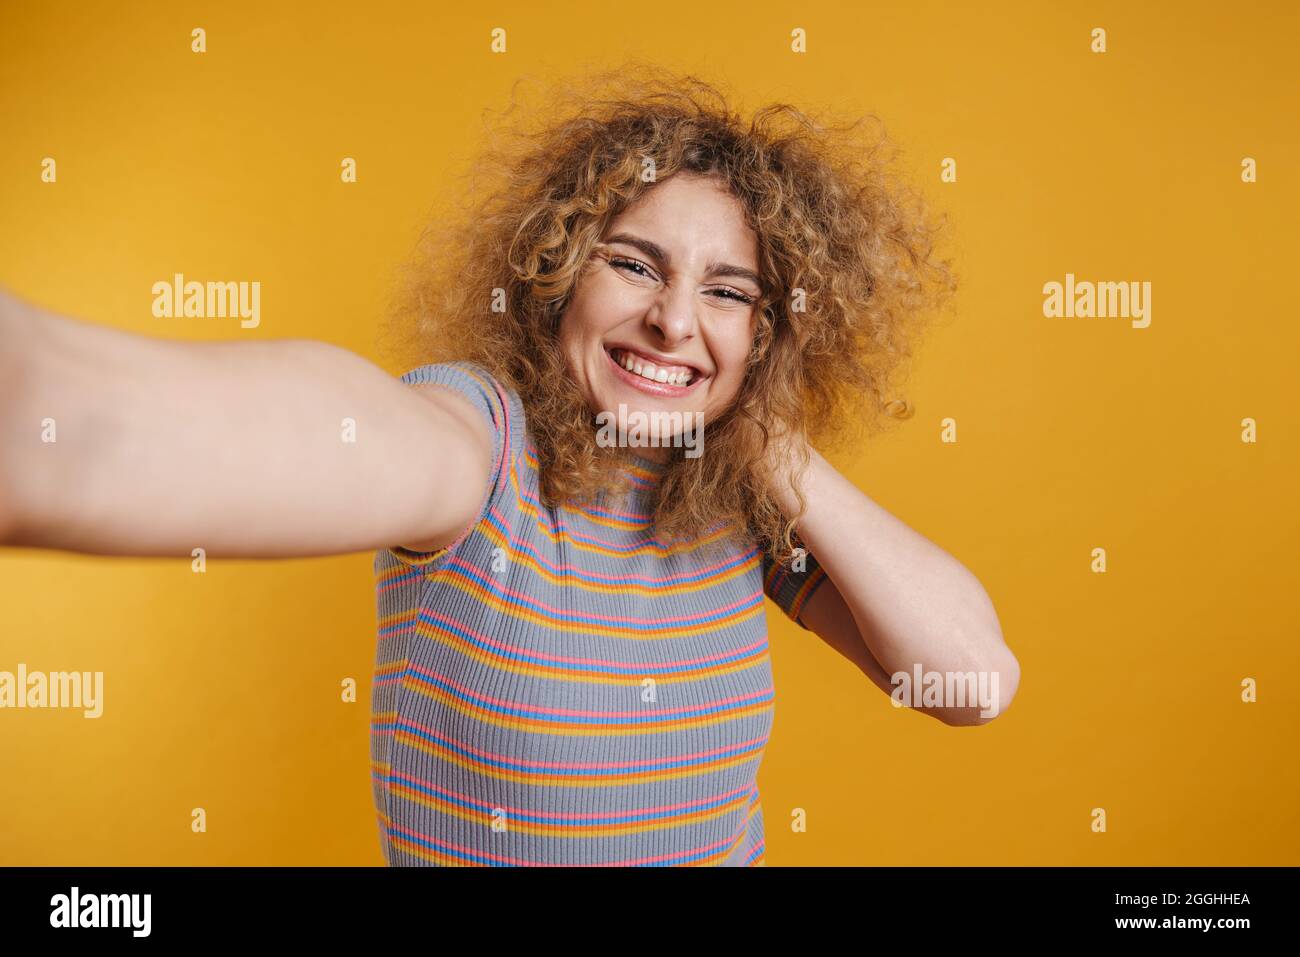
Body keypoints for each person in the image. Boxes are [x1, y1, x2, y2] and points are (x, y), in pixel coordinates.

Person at [0, 65, 1019, 866]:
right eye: (634, 263)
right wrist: (46, 414)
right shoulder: (481, 450)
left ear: (772, 334)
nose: (672, 319)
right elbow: (338, 426)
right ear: (553, 275)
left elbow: (972, 683)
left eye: (729, 294)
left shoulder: (735, 505)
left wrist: (765, 441)